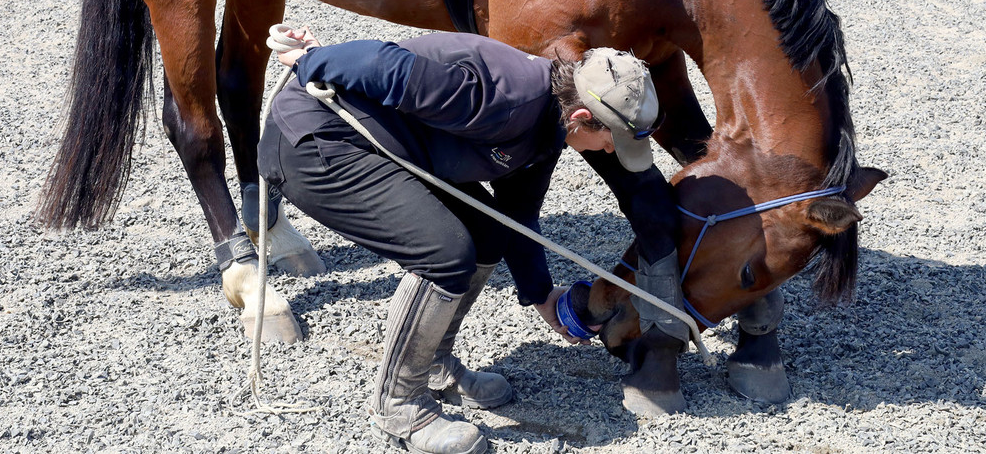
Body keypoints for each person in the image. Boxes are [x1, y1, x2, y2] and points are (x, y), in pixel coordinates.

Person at [256, 27, 688, 454]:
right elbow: (380, 62)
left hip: (394, 147)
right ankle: (399, 405)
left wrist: (541, 295)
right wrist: (310, 59)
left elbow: (517, 216)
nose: (611, 152)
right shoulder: (501, 99)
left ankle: (433, 365)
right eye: (611, 141)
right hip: (313, 142)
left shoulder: (549, 125)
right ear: (581, 118)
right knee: (444, 253)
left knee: (486, 234)